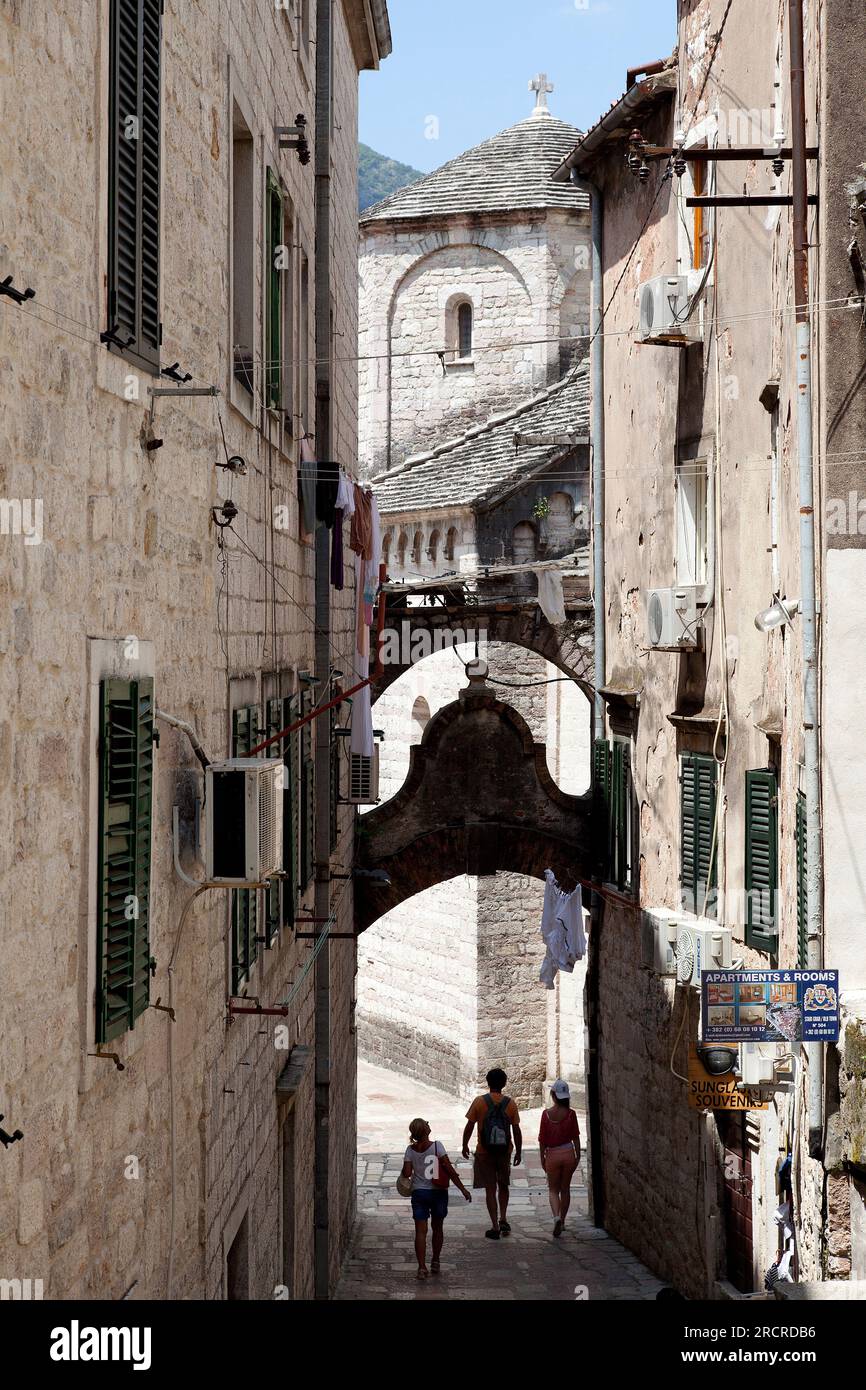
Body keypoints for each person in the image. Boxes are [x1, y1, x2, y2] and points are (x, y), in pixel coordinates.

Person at [401, 1117, 471, 1279]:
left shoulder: (410, 1150)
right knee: (437, 1228)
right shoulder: (437, 1146)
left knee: (420, 1231)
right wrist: (462, 1189)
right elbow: (449, 1169)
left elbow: (407, 1173)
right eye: (426, 1124)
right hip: (438, 1192)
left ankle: (421, 1267)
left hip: (419, 1193)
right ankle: (436, 1260)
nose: (428, 1124)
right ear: (425, 1130)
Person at [462, 1067, 522, 1240]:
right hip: (504, 1151)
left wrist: (465, 1144)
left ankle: (495, 1226)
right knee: (503, 1185)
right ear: (504, 1083)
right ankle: (503, 1218)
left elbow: (470, 1126)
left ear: (488, 1083)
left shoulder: (479, 1102)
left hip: (484, 1151)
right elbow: (516, 1130)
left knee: (490, 1188)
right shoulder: (510, 1104)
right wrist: (518, 1151)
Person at [538, 1078, 581, 1238]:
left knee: (553, 1189)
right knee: (565, 1189)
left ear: (553, 1095)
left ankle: (556, 1217)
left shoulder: (546, 1115)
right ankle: (562, 1221)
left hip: (552, 1155)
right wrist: (577, 1156)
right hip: (568, 1153)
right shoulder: (571, 1114)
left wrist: (542, 1157)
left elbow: (542, 1140)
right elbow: (575, 1137)